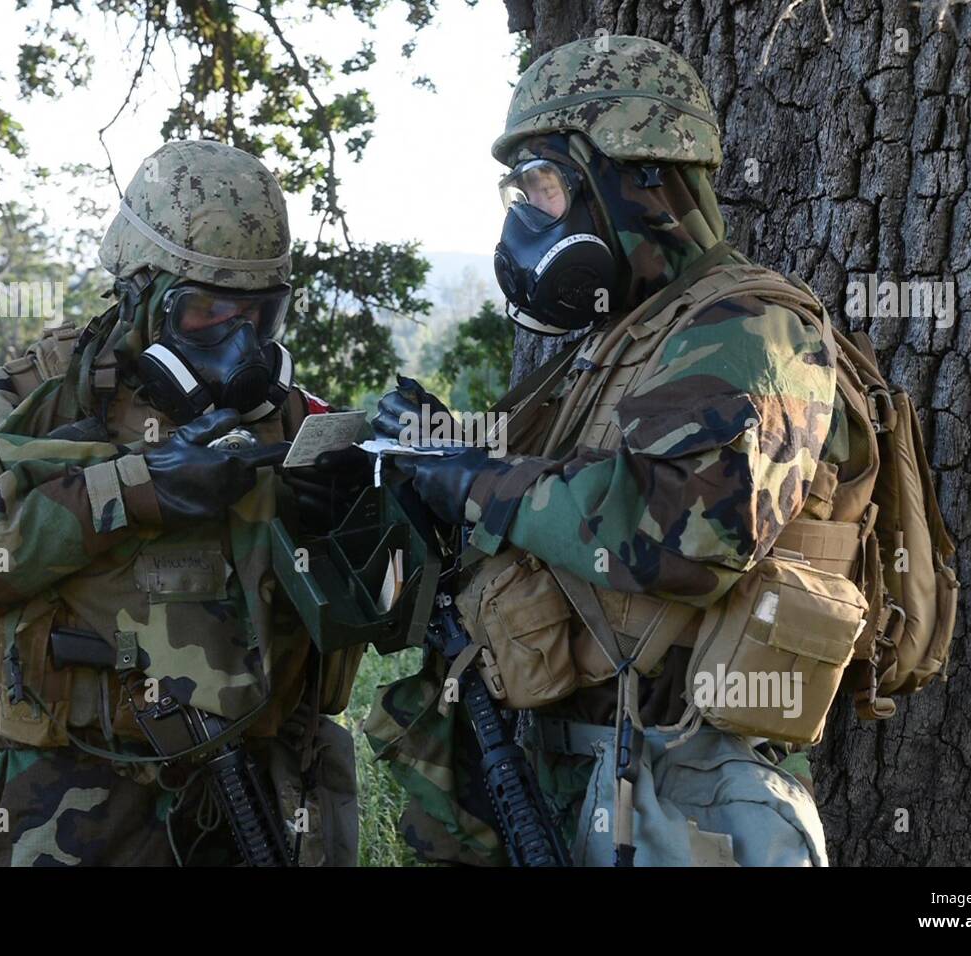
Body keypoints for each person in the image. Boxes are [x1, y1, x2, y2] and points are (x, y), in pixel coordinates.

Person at [366, 35, 865, 867]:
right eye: (521, 190)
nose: (528, 217)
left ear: (639, 179)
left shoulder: (750, 330)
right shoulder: (634, 337)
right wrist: (443, 449)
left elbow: (682, 540)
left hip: (679, 788)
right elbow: (570, 486)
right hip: (582, 763)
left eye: (546, 185)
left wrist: (473, 482)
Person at [0, 140, 363, 866]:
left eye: (261, 316)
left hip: (265, 782)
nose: (241, 345)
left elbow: (368, 602)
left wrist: (354, 504)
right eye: (208, 313)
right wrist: (133, 489)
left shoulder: (290, 416)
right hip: (87, 796)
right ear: (142, 295)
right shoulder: (40, 396)